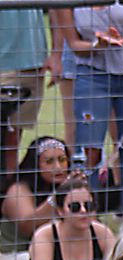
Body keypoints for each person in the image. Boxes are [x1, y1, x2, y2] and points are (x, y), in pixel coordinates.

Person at [64, 2, 123, 214]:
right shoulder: (65, 4)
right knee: (88, 152)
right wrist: (98, 44)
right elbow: (74, 43)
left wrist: (122, 36)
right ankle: (87, 219)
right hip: (92, 73)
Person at [1, 135, 69, 260]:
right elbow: (27, 226)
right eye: (49, 162)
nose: (58, 167)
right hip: (11, 258)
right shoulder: (18, 190)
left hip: (52, 258)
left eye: (62, 160)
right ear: (35, 165)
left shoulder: (71, 187)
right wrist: (57, 198)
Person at [0, 7, 52, 180]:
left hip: (31, 59)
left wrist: (57, 53)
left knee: (12, 139)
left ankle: (7, 196)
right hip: (7, 60)